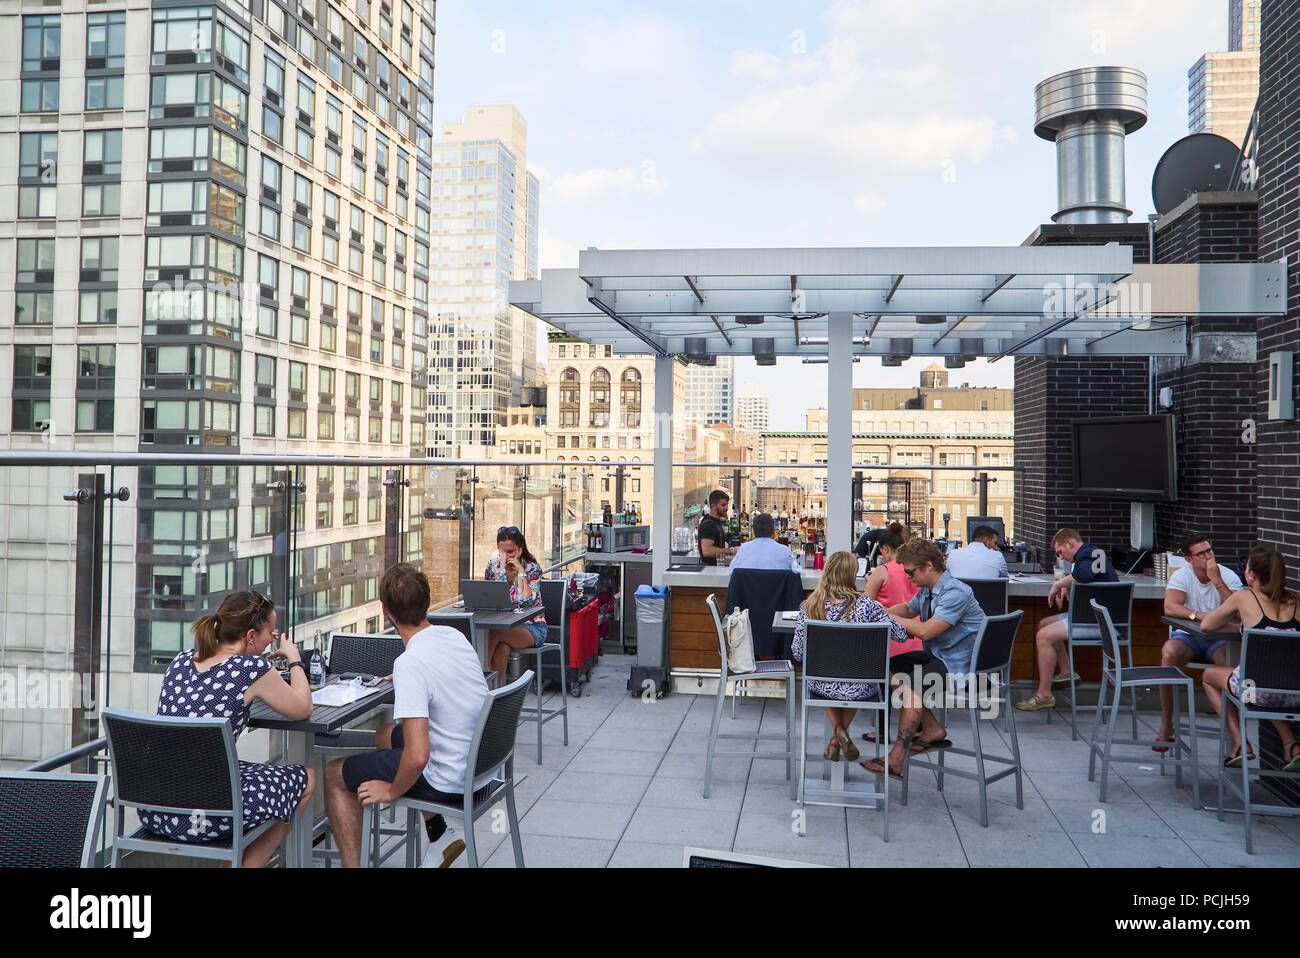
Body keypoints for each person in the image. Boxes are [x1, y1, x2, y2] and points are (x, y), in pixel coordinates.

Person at [325, 564, 491, 868]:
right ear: (426, 600)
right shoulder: (452, 637)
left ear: (385, 610)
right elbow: (445, 677)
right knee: (384, 735)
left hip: (450, 779)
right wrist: (410, 678)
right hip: (480, 763)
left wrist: (391, 790)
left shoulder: (411, 663)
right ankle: (439, 834)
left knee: (335, 774)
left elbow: (417, 757)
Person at [141, 590, 316, 868]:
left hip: (156, 808)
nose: (273, 638)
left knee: (241, 775)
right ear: (249, 636)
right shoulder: (251, 668)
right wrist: (294, 659)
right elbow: (303, 708)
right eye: (269, 632)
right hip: (206, 814)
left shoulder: (180, 661)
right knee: (306, 778)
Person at [791, 552, 945, 774]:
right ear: (853, 575)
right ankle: (840, 733)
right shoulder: (867, 607)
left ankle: (837, 731)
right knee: (858, 672)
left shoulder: (809, 606)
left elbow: (797, 653)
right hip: (861, 686)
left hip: (820, 685)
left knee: (827, 671)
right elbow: (900, 635)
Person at [1198, 546, 1300, 770]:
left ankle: (1240, 743)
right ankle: (1290, 745)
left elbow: (1207, 625)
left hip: (1257, 692)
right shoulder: (1296, 602)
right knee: (1270, 679)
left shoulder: (1244, 598)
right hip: (1294, 695)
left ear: (1251, 575)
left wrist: (1244, 626)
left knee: (1209, 676)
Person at [1154, 534, 1242, 749]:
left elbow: (1241, 613)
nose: (1208, 556)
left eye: (1209, 551)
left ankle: (1236, 736)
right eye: (1201, 553)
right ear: (1189, 559)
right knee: (1169, 654)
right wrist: (1200, 616)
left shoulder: (1227, 576)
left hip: (1220, 640)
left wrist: (1217, 580)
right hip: (1188, 636)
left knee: (1228, 666)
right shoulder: (1182, 576)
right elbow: (1171, 607)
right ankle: (1167, 724)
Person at [1016, 527, 1119, 711]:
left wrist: (1059, 583)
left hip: (1102, 623)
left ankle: (1044, 694)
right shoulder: (1088, 555)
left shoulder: (1091, 554)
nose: (1061, 557)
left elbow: (1085, 575)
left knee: (1044, 636)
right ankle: (1067, 672)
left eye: (1060, 551)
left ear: (1070, 543)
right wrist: (1066, 585)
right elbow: (1084, 576)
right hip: (1091, 617)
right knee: (1044, 624)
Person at [483, 526, 547, 685]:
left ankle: (479, 677)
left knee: (495, 632)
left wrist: (520, 571)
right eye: (502, 552)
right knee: (502, 647)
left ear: (519, 549)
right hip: (503, 625)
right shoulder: (493, 567)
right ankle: (493, 694)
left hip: (532, 627)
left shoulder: (532, 569)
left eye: (510, 552)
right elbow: (486, 595)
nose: (506, 557)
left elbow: (527, 599)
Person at [730, 512, 799, 571]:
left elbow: (732, 571)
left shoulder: (743, 549)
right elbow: (797, 571)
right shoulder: (785, 551)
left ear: (754, 531)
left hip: (750, 586)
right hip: (775, 587)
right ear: (773, 531)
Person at [698, 490, 735, 566]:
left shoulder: (715, 521)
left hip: (715, 568)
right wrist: (731, 550)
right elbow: (707, 551)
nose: (727, 508)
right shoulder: (709, 525)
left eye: (727, 504)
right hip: (709, 571)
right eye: (723, 505)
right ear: (713, 506)